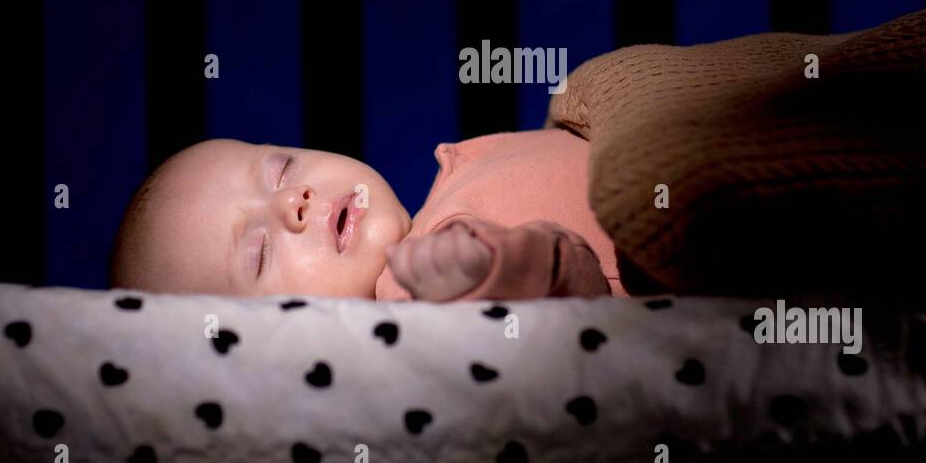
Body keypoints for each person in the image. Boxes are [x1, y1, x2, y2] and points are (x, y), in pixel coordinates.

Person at [108, 130, 622, 302]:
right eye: (259, 253)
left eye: (281, 169)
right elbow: (568, 307)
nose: (294, 201)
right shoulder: (424, 295)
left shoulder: (459, 169)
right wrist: (493, 267)